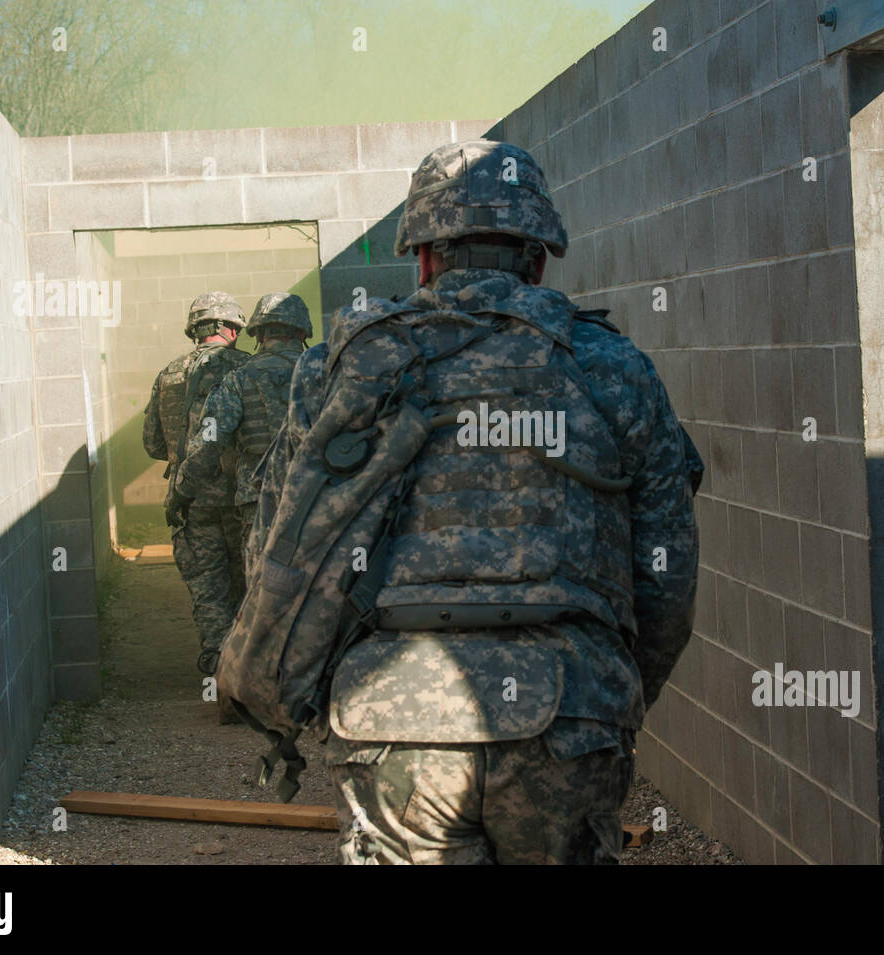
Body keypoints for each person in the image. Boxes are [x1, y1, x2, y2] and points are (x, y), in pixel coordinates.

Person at [278, 140, 699, 864]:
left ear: (422, 259)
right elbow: (668, 576)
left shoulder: (345, 366)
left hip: (391, 720)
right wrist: (611, 697)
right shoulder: (614, 369)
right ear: (537, 259)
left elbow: (280, 551)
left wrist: (313, 699)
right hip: (571, 720)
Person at [142, 291, 251, 680]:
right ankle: (249, 677)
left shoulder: (168, 374)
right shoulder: (246, 369)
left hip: (189, 503)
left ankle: (217, 672)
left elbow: (153, 444)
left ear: (195, 329)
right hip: (242, 499)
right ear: (230, 328)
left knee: (208, 590)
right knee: (248, 586)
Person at [176, 292, 311, 579]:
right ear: (302, 332)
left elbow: (209, 443)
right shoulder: (327, 371)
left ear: (258, 333)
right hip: (319, 498)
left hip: (261, 502)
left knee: (263, 590)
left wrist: (183, 491)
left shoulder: (239, 378)